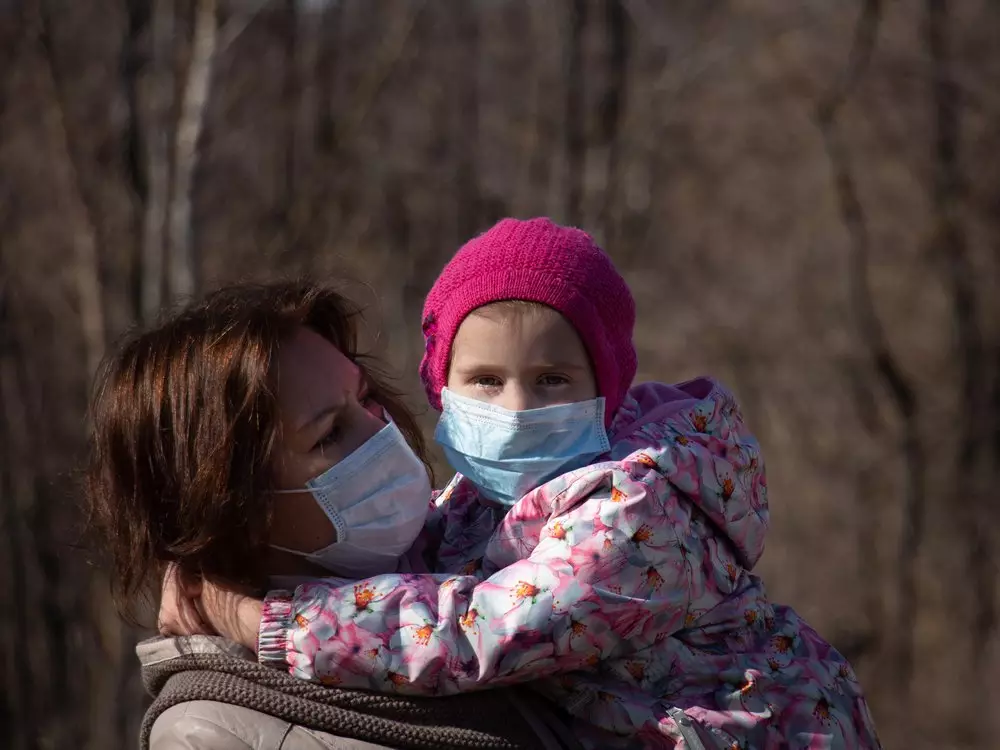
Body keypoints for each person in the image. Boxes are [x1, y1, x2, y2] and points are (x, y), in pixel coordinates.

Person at [170, 220, 883, 749]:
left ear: (605, 386)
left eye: (551, 381)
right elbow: (419, 579)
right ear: (439, 385)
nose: (515, 409)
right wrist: (221, 565)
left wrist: (269, 620)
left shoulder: (635, 512)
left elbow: (476, 631)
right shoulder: (478, 499)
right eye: (484, 380)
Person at [85, 279, 573, 750]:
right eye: (328, 434)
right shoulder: (209, 733)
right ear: (233, 509)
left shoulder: (473, 548)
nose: (382, 433)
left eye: (365, 399)